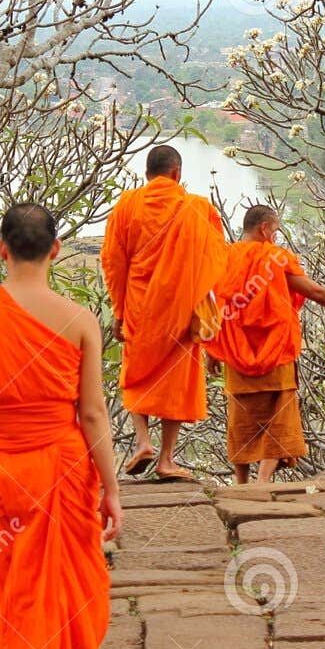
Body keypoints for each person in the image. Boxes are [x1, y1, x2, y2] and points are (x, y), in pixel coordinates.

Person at [0, 202, 124, 649]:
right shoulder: (79, 319)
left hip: (0, 468)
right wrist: (112, 488)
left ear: (1, 250)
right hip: (63, 469)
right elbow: (93, 413)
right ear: (56, 250)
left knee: (9, 581)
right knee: (64, 578)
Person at [100, 143, 226, 479]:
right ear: (177, 174)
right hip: (181, 310)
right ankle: (166, 459)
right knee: (177, 380)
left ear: (147, 175)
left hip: (139, 307)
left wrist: (119, 309)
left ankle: (143, 441)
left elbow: (113, 261)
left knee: (134, 372)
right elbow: (215, 255)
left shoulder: (128, 205)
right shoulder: (197, 208)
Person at [205, 204, 325, 484]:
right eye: (277, 231)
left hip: (235, 348)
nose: (277, 237)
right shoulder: (276, 259)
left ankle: (241, 482)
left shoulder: (222, 258)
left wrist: (212, 348)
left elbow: (211, 304)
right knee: (279, 414)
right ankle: (263, 480)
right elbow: (315, 292)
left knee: (241, 415)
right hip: (276, 348)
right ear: (265, 229)